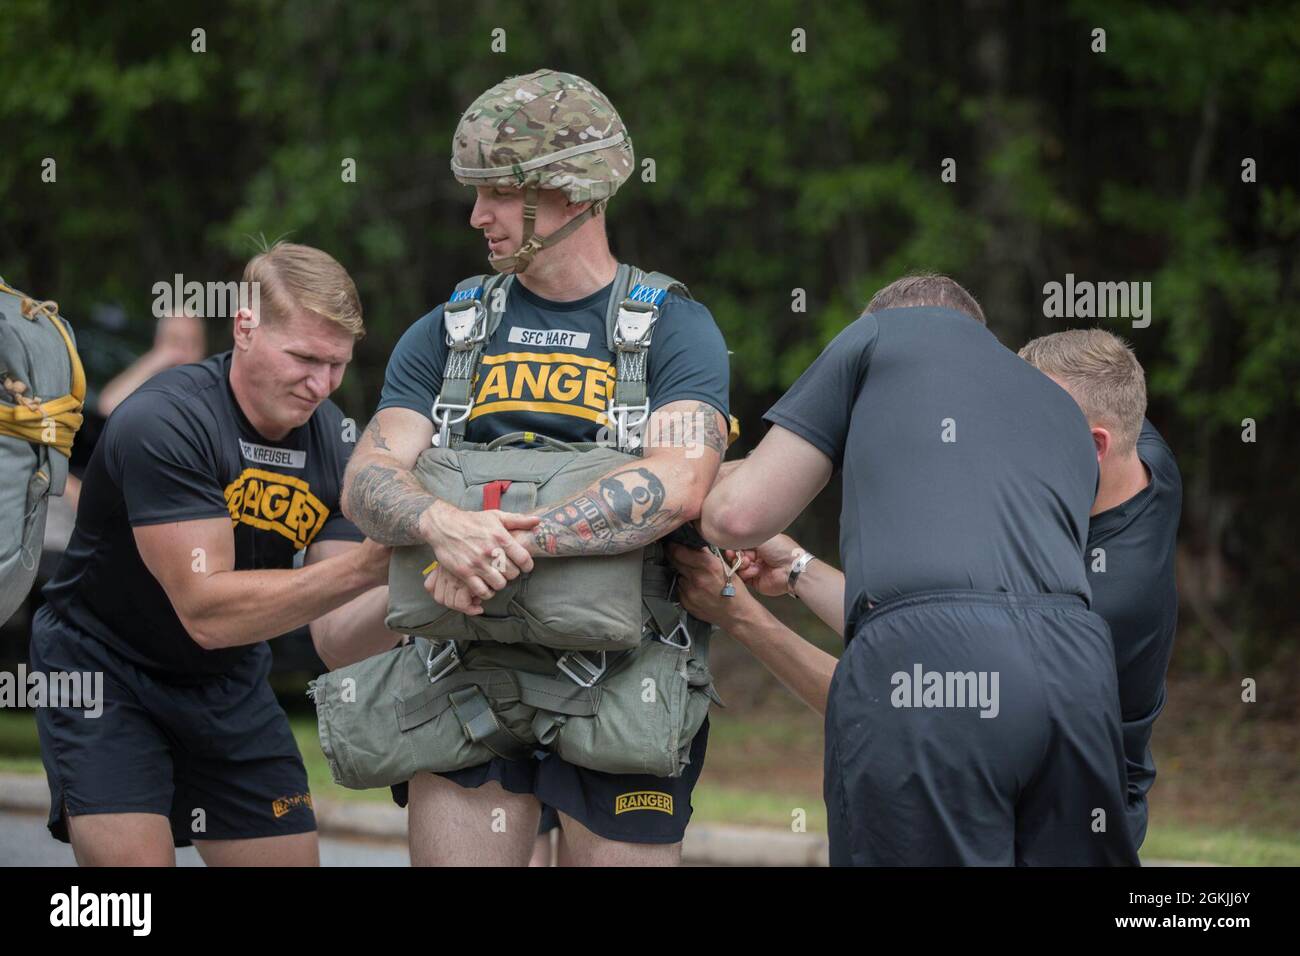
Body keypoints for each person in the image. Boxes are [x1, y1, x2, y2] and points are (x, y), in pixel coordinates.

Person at [341, 69, 731, 866]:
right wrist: (440, 525)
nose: (477, 215)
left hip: (624, 679)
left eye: (499, 193)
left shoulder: (672, 330)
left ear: (574, 193)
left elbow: (682, 480)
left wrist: (500, 549)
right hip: (460, 675)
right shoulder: (448, 331)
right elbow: (368, 478)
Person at [676, 327, 1181, 855]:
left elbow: (900, 702)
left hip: (1067, 817)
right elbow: (915, 632)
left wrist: (743, 620)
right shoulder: (1143, 457)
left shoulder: (1094, 602)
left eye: (1027, 429)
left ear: (1095, 446)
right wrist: (800, 569)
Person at [30, 242, 393, 866]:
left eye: (336, 365)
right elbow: (207, 612)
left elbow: (336, 635)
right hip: (105, 670)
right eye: (304, 358)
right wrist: (368, 566)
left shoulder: (335, 441)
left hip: (228, 679)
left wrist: (425, 586)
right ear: (245, 326)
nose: (320, 385)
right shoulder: (166, 420)